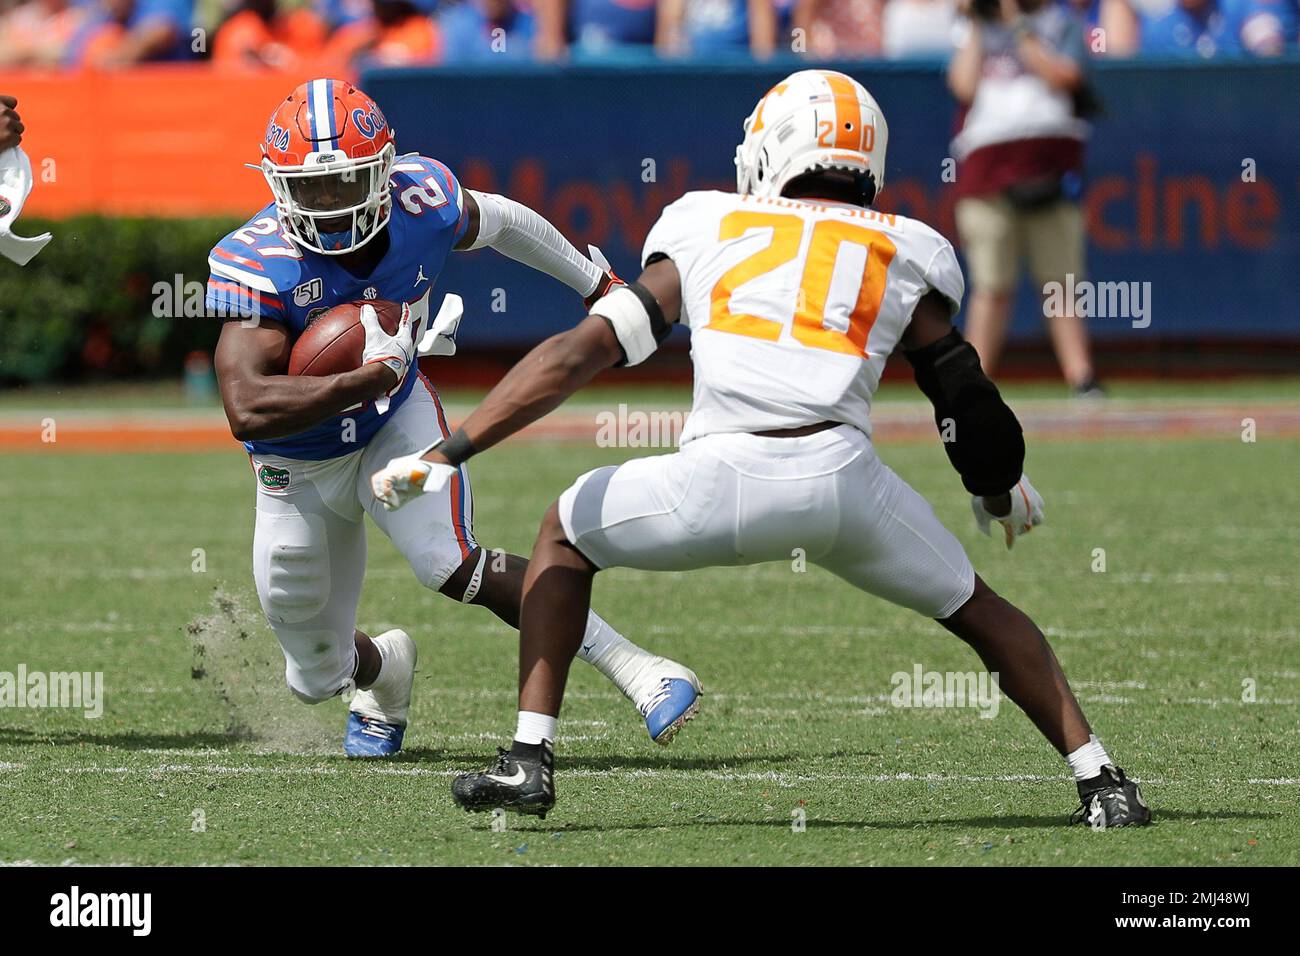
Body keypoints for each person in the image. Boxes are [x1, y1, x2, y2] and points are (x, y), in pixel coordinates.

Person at [373, 69, 1152, 829]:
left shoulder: (707, 223)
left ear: (770, 150)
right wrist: (996, 485)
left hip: (714, 481)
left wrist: (449, 453)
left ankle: (530, 760)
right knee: (981, 612)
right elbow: (962, 390)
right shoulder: (904, 246)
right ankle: (1102, 780)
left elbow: (579, 355)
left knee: (564, 535)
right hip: (846, 490)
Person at [206, 79, 700, 758]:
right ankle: (383, 672)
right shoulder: (258, 260)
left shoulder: (422, 202)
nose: (329, 206)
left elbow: (503, 222)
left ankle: (643, 671)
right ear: (277, 186)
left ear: (383, 171)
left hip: (394, 424)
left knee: (448, 559)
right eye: (311, 189)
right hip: (297, 461)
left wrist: (597, 285)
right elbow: (247, 406)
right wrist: (362, 377)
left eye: (346, 184)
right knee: (313, 674)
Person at [948, 0, 1103, 396]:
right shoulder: (972, 28)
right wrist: (980, 22)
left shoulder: (1061, 22)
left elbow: (1062, 76)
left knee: (1061, 285)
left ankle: (1081, 379)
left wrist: (1017, 26)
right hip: (987, 172)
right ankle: (973, 385)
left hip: (1050, 168)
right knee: (992, 285)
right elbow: (963, 85)